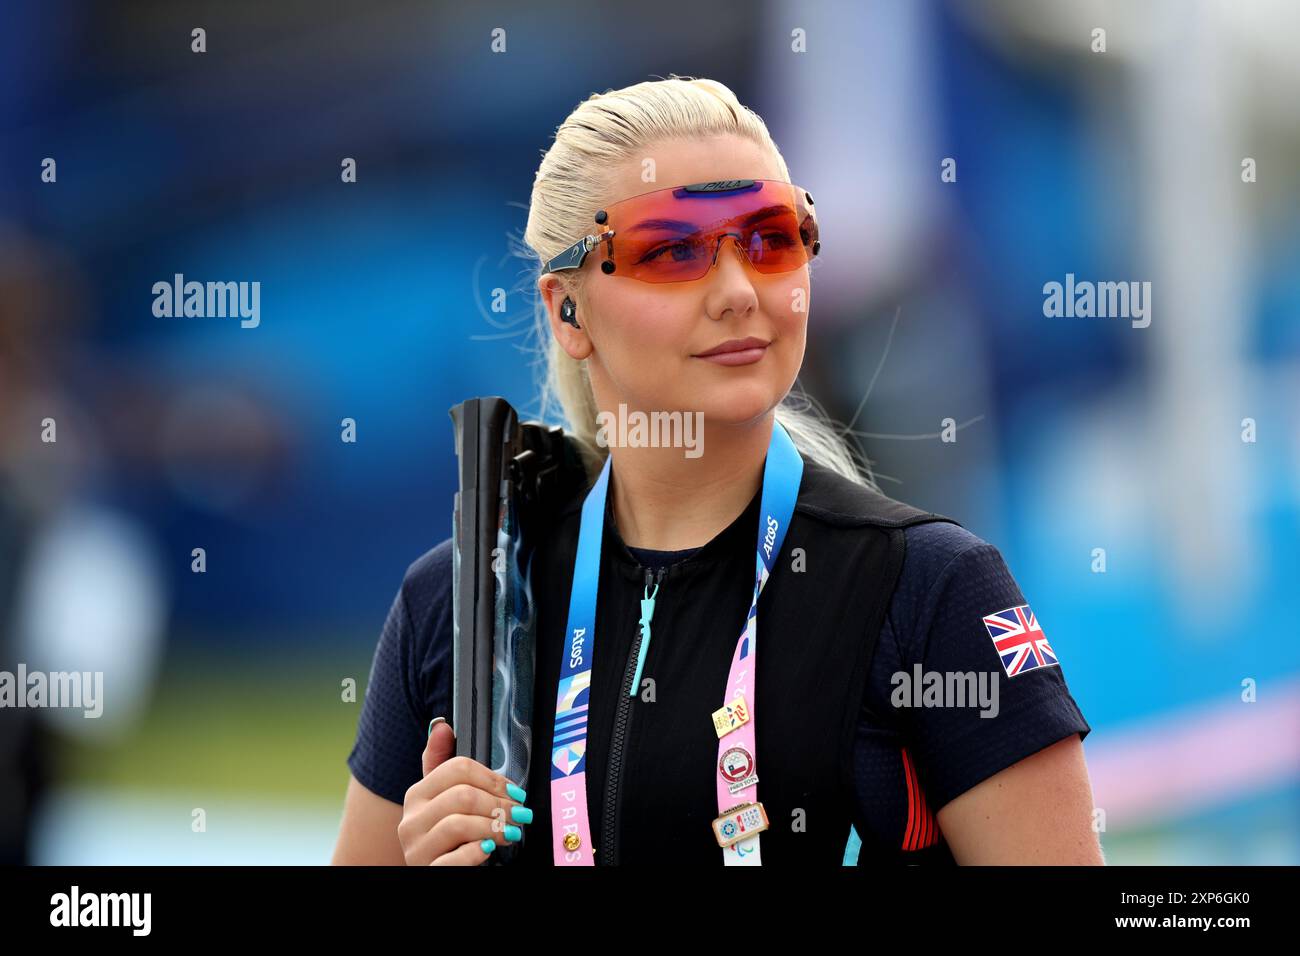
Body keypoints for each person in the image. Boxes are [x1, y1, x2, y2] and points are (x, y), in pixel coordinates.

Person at [332, 76, 1101, 866]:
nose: (738, 292)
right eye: (673, 250)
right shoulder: (463, 600)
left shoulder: (930, 589)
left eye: (771, 238)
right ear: (568, 311)